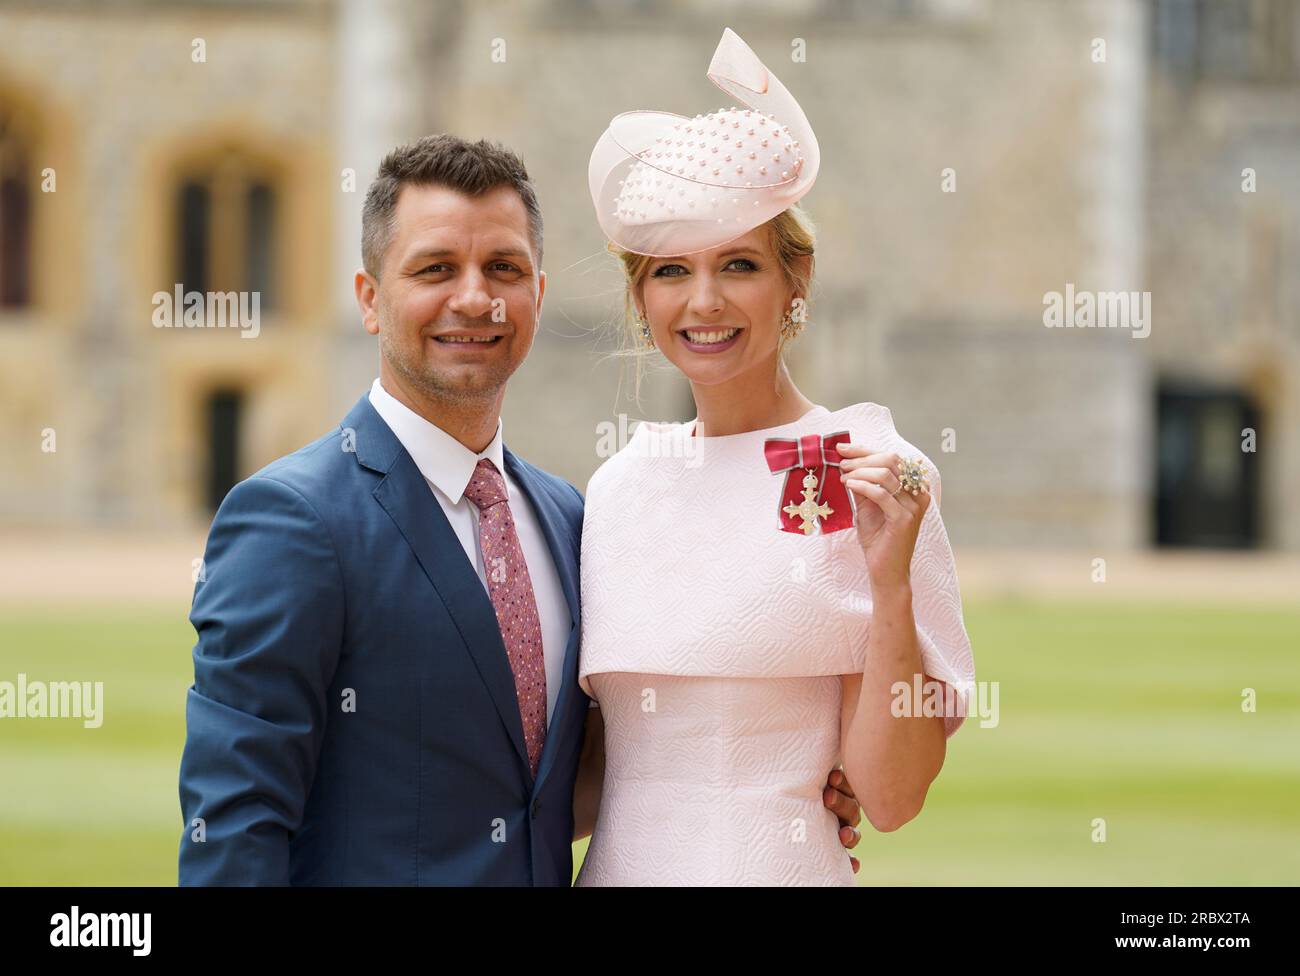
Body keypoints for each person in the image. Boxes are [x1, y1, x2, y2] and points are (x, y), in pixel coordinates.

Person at [176, 132, 862, 885]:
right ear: (371, 300)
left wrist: (801, 770)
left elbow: (574, 774)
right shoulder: (291, 521)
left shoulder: (569, 515)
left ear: (536, 294)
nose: (474, 298)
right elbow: (235, 825)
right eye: (436, 269)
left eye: (502, 268)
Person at [575, 28, 977, 885]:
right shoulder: (615, 488)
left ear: (795, 284)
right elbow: (591, 778)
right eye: (671, 270)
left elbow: (893, 796)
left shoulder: (876, 469)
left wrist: (891, 584)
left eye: (740, 265)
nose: (705, 301)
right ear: (640, 297)